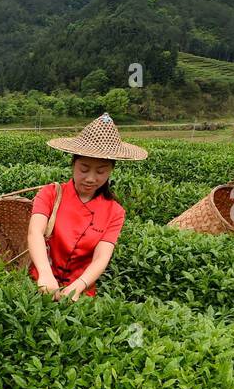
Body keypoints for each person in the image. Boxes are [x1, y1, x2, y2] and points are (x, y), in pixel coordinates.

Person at [26, 114, 148, 300]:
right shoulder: (50, 193)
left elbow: (101, 257)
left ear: (111, 170)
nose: (91, 178)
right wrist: (45, 273)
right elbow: (35, 232)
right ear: (73, 164)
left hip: (80, 292)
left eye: (101, 171)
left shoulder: (115, 212)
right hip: (38, 282)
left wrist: (78, 287)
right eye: (84, 169)